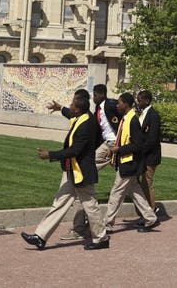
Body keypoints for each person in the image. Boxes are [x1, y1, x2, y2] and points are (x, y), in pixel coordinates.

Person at [21, 90, 109, 251]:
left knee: (90, 206)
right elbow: (70, 114)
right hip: (72, 171)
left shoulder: (86, 125)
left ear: (78, 109)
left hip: (82, 172)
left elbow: (74, 150)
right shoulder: (81, 116)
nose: (70, 106)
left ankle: (101, 238)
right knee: (59, 202)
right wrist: (60, 108)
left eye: (72, 104)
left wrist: (50, 155)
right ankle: (40, 236)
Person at [48, 84, 119, 242]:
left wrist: (119, 147)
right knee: (127, 184)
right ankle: (149, 215)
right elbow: (72, 114)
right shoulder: (91, 113)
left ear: (100, 94)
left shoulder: (107, 107)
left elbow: (122, 121)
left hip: (110, 145)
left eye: (95, 94)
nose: (94, 97)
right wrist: (60, 108)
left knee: (84, 180)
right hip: (105, 146)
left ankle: (82, 230)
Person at [104, 92, 158, 233]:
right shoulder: (126, 118)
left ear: (126, 104)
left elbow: (138, 145)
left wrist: (118, 149)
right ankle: (150, 218)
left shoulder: (132, 120)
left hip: (129, 163)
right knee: (136, 193)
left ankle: (107, 224)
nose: (117, 105)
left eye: (119, 102)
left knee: (115, 194)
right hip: (127, 162)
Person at [136, 89, 164, 223]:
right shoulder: (142, 114)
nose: (138, 102)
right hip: (144, 155)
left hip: (150, 156)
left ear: (147, 101)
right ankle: (145, 211)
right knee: (142, 183)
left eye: (140, 100)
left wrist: (140, 152)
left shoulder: (153, 116)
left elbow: (152, 140)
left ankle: (151, 212)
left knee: (147, 183)